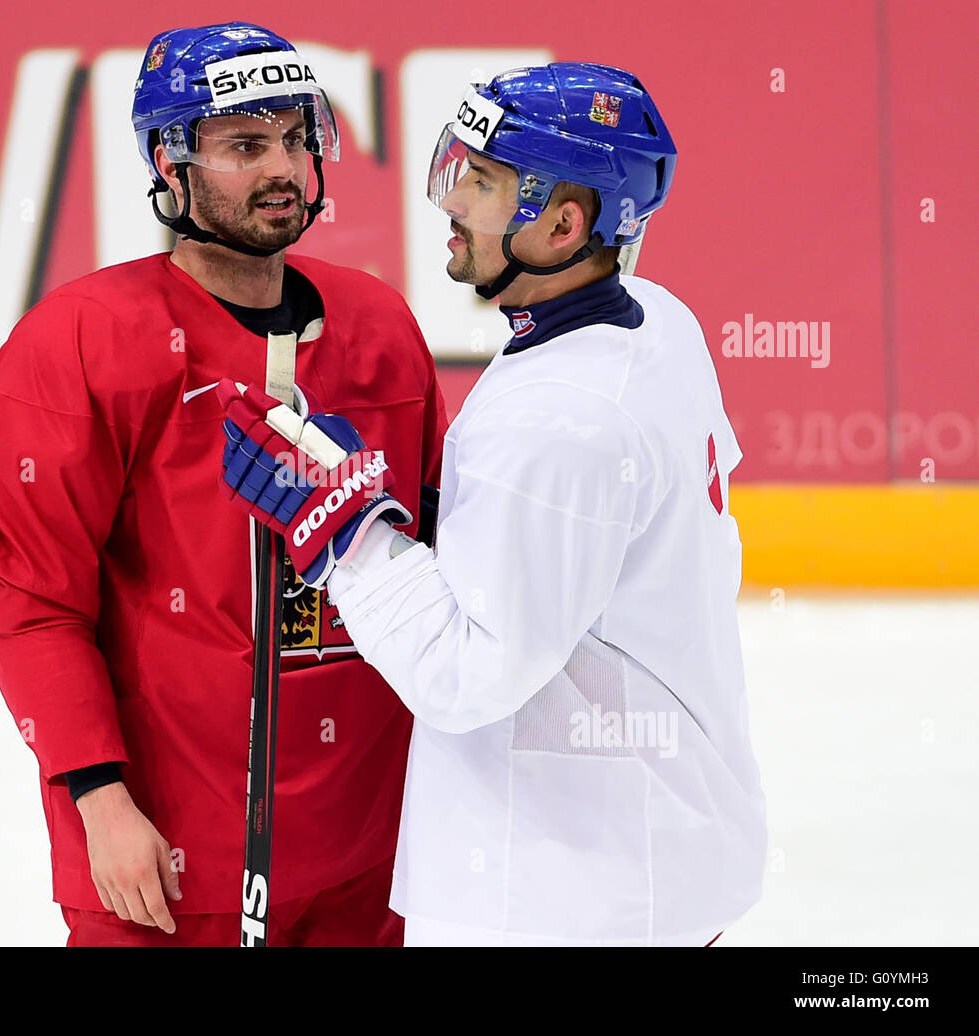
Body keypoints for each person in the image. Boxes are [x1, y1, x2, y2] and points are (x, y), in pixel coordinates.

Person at [217, 63, 768, 946]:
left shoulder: (560, 420)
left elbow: (466, 679)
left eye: (481, 183)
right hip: (657, 847)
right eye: (456, 167)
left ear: (562, 223)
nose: (451, 202)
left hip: (572, 895)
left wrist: (343, 531)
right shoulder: (657, 322)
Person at [0, 21, 446, 947]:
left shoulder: (380, 326)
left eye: (297, 138)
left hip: (367, 859)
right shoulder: (80, 342)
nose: (284, 168)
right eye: (244, 145)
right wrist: (99, 804)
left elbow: (439, 556)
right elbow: (28, 605)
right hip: (161, 866)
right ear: (170, 162)